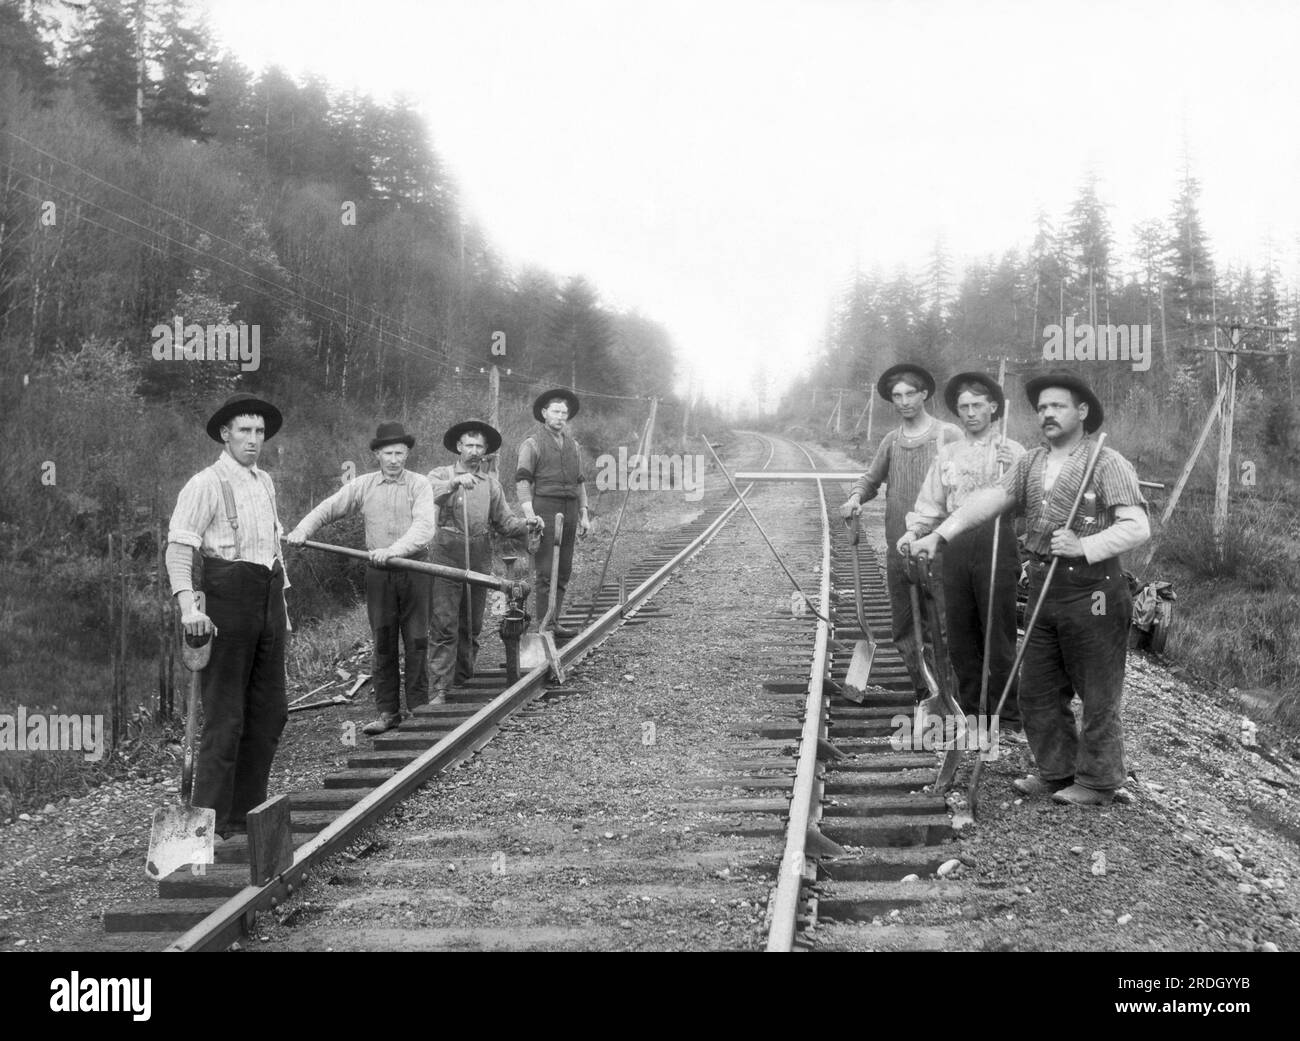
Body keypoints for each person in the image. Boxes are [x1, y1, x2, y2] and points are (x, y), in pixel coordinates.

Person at [908, 371, 1150, 807]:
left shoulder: (1106, 461)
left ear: (1082, 412)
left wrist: (1086, 544)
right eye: (1041, 408)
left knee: (1097, 693)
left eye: (1057, 406)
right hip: (1043, 586)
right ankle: (1056, 771)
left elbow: (1137, 526)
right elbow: (989, 499)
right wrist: (940, 535)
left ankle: (1098, 782)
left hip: (1094, 591)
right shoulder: (1032, 462)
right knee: (1038, 689)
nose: (1047, 415)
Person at [165, 392, 289, 839]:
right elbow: (180, 548)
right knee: (225, 717)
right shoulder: (205, 484)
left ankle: (245, 815)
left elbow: (274, 551)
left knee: (271, 712)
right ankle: (209, 825)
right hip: (227, 600)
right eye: (245, 431)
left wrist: (282, 611)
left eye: (259, 432)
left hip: (269, 599)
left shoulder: (265, 482)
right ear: (225, 434)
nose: (254, 440)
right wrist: (189, 609)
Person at [286, 422, 435, 735]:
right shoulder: (364, 485)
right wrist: (303, 529)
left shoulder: (419, 484)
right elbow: (329, 507)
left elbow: (423, 529)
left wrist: (394, 549)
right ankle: (387, 712)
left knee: (418, 639)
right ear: (377, 455)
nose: (394, 459)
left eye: (400, 453)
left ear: (407, 453)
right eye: (388, 453)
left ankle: (419, 709)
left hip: (415, 569)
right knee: (383, 641)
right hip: (379, 573)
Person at [897, 372, 1026, 725]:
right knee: (959, 632)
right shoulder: (948, 454)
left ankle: (1006, 714)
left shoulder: (1013, 452)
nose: (969, 412)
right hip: (953, 545)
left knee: (996, 632)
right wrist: (914, 532)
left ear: (993, 407)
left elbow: (1031, 503)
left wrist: (1014, 466)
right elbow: (931, 503)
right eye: (963, 406)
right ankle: (969, 708)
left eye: (977, 405)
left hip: (997, 541)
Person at [840, 364, 962, 698]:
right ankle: (924, 692)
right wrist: (854, 497)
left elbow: (968, 483)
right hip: (900, 547)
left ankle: (950, 696)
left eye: (911, 393)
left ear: (924, 394)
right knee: (905, 625)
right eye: (897, 396)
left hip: (941, 547)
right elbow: (871, 479)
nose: (904, 401)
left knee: (944, 625)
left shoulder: (948, 434)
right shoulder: (892, 441)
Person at [427, 420, 539, 699]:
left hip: (478, 553)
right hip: (445, 551)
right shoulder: (441, 474)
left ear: (486, 450)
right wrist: (454, 483)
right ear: (458, 446)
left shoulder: (490, 484)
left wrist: (530, 524)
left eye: (479, 446)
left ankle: (464, 680)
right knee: (444, 622)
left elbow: (506, 523)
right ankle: (439, 688)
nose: (474, 451)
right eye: (469, 445)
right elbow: (427, 492)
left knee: (472, 622)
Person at [515, 388, 592, 638]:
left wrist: (584, 513)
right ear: (545, 413)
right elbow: (522, 481)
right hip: (545, 509)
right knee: (546, 571)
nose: (560, 416)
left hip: (570, 510)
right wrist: (530, 513)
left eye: (564, 412)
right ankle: (542, 624)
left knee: (564, 569)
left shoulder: (574, 446)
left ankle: (554, 621)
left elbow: (580, 482)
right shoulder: (532, 443)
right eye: (556, 411)